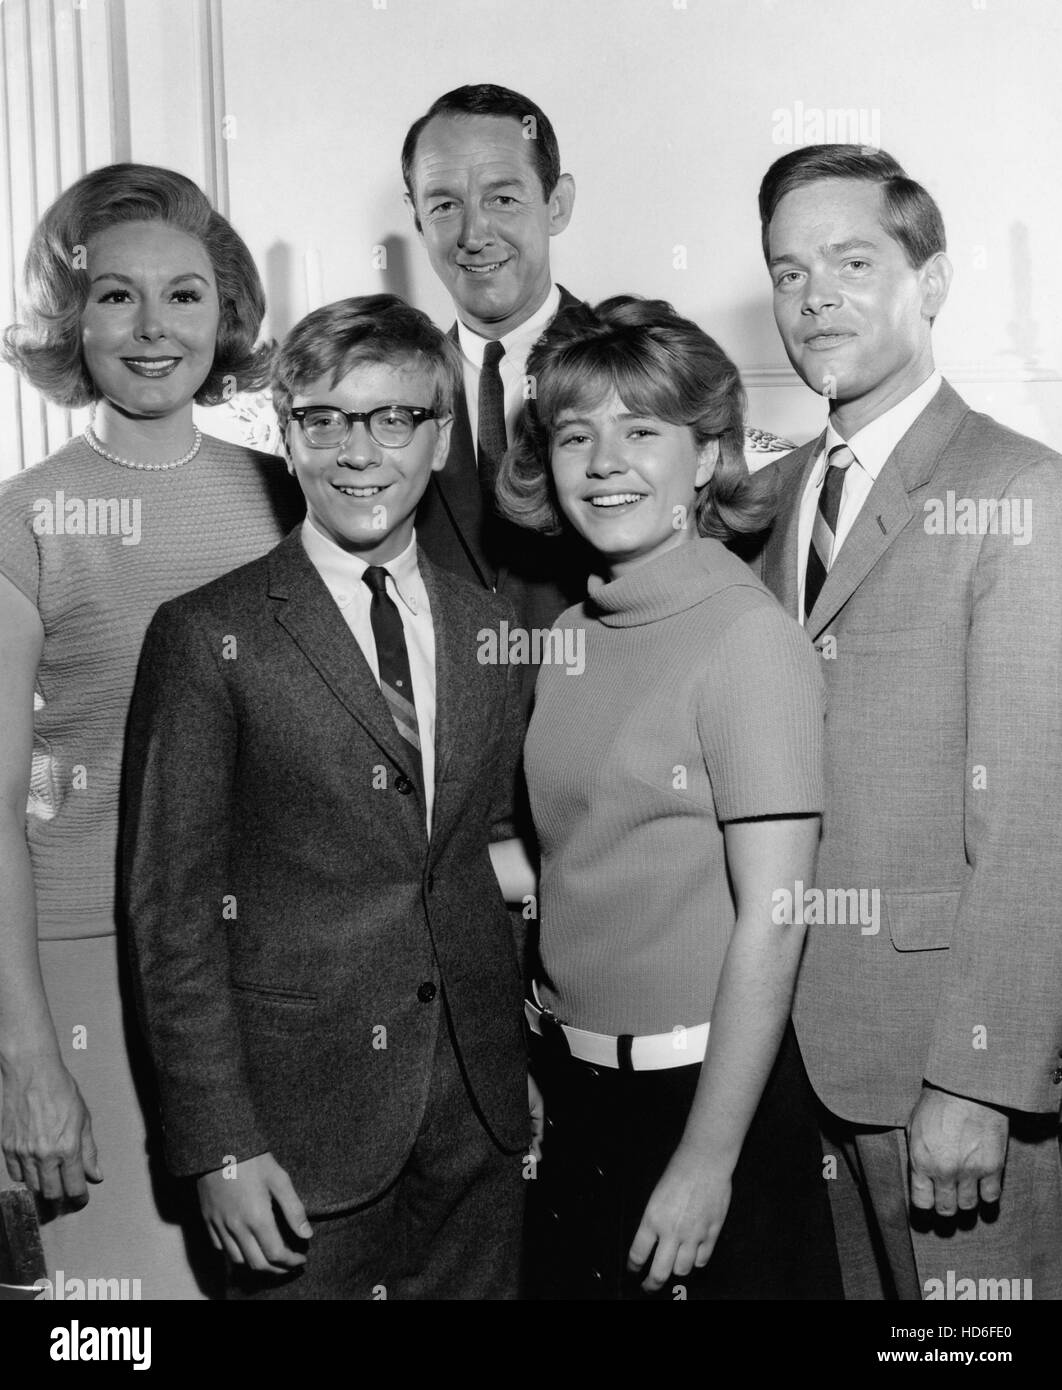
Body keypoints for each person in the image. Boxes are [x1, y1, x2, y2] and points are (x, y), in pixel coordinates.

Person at [122, 295, 536, 1300]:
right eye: (326, 419)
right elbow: (170, 917)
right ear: (284, 430)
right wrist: (220, 1146)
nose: (360, 450)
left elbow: (473, 861)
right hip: (299, 1146)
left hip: (476, 1131)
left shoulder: (492, 629)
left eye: (395, 418)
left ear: (439, 440)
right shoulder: (208, 635)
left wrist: (512, 1072)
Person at [755, 143, 1062, 1299]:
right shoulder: (777, 495)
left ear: (931, 283)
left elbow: (1038, 820)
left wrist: (981, 1081)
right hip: (803, 1064)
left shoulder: (1021, 493)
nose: (814, 296)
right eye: (788, 273)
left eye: (851, 260)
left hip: (947, 1073)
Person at [493, 295, 841, 1300]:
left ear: (707, 456)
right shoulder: (568, 637)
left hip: (704, 1104)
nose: (605, 461)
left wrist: (705, 1160)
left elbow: (776, 921)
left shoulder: (746, 640)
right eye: (576, 433)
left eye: (641, 430)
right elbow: (571, 859)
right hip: (574, 1100)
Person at [0, 163, 302, 1299]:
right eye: (114, 295)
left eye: (183, 294)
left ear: (223, 310)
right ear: (69, 317)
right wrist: (26, 1058)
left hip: (279, 971)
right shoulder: (24, 524)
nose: (151, 326)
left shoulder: (292, 496)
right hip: (88, 981)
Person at [401, 82, 584, 642]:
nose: (474, 235)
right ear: (417, 219)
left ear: (557, 205)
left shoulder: (641, 368)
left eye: (503, 198)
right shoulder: (389, 390)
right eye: (444, 205)